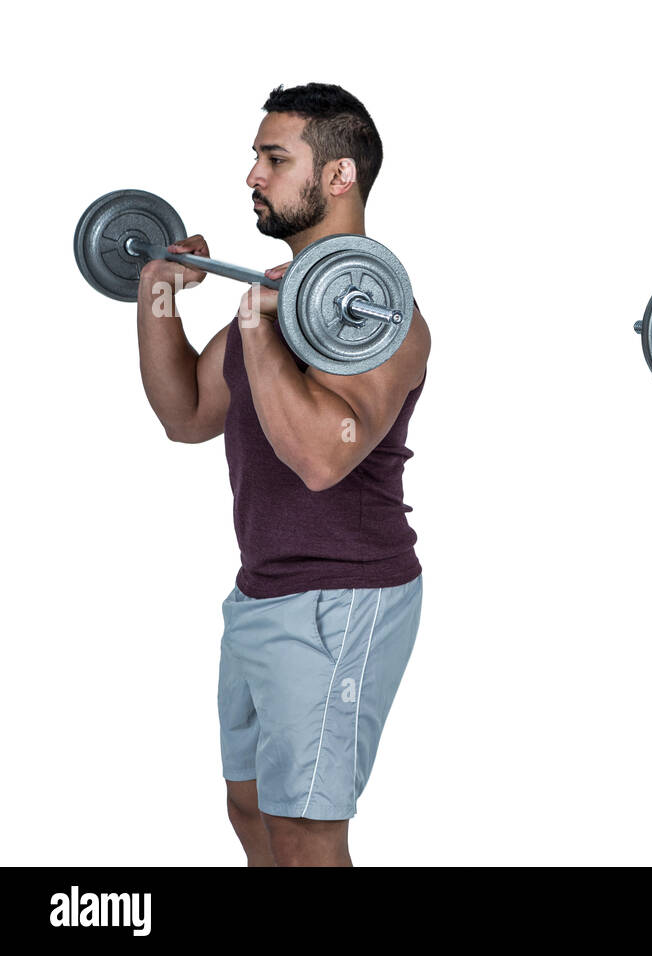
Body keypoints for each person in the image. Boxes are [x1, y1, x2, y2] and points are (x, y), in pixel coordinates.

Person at [134, 83, 431, 866]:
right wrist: (158, 293)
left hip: (342, 596)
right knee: (251, 806)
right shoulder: (274, 299)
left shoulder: (383, 321)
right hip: (262, 588)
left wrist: (259, 330)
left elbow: (323, 458)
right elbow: (188, 415)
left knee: (305, 832)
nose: (253, 176)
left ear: (338, 178)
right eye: (256, 158)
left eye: (275, 158)